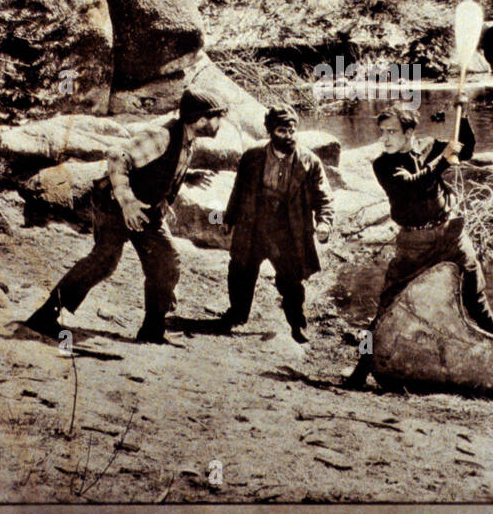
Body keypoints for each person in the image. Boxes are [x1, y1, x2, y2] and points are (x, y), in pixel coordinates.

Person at [23, 85, 229, 345]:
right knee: (104, 261)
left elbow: (158, 168)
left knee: (166, 262)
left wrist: (187, 178)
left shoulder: (188, 141)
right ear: (201, 119)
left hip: (145, 212)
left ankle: (152, 331)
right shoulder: (161, 136)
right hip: (115, 205)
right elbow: (117, 156)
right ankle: (45, 316)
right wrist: (127, 201)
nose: (221, 123)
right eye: (218, 117)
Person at [344, 93, 493, 388]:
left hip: (451, 234)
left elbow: (465, 150)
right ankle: (359, 371)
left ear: (409, 133)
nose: (385, 139)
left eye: (392, 132)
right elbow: (413, 186)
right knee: (386, 309)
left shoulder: (428, 147)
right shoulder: (383, 165)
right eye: (383, 133)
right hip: (414, 245)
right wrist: (444, 160)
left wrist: (462, 114)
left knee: (476, 298)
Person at [218, 105, 335, 343]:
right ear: (270, 131)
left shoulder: (309, 161)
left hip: (287, 231)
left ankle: (298, 326)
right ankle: (237, 315)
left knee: (291, 280)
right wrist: (229, 219)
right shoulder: (252, 157)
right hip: (253, 225)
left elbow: (324, 197)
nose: (289, 136)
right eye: (282, 130)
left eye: (293, 130)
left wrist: (324, 223)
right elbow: (238, 190)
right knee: (240, 270)